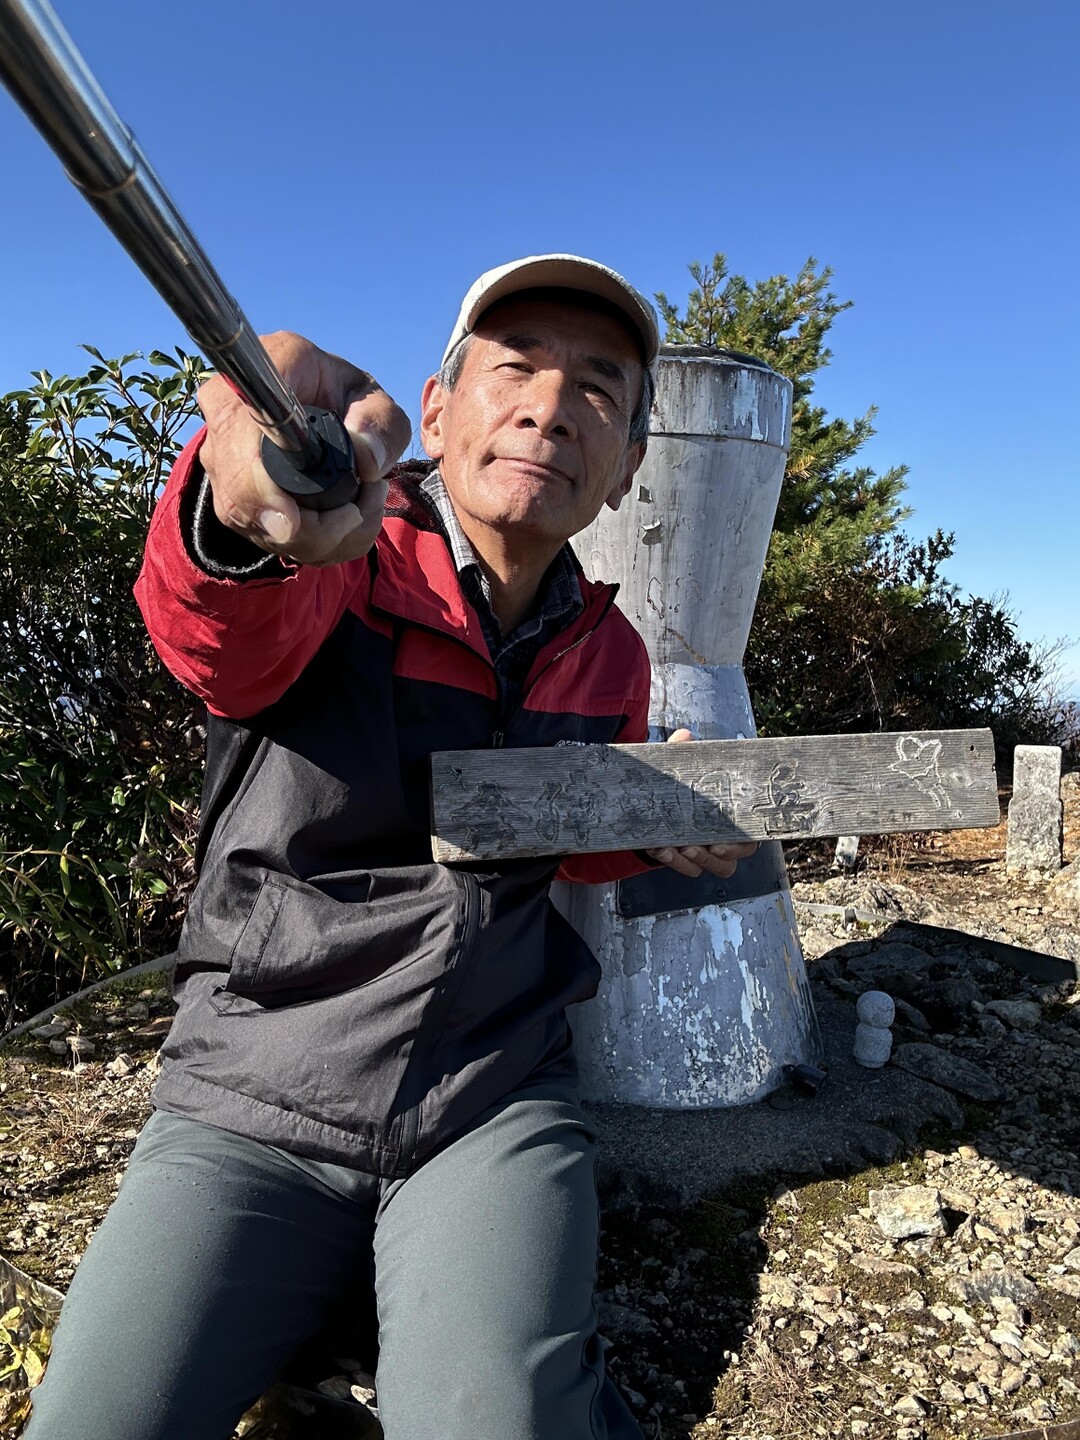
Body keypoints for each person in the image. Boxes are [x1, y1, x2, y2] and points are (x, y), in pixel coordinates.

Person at [26, 254, 755, 1440]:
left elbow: (563, 858)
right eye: (513, 368)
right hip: (257, 1087)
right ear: (435, 411)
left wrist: (650, 833)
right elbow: (221, 636)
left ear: (626, 470)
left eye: (600, 392)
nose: (548, 406)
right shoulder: (344, 566)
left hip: (491, 1094)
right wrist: (242, 517)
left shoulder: (612, 657)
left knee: (500, 1420)